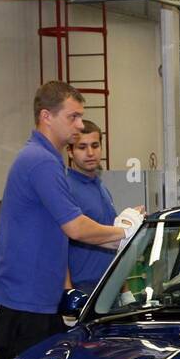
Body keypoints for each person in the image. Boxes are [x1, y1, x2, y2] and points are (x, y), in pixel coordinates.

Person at [0, 82, 143, 359]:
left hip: (37, 301)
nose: (79, 124)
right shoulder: (41, 162)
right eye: (73, 117)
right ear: (46, 116)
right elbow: (77, 228)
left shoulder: (46, 160)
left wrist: (128, 235)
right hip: (25, 305)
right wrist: (127, 232)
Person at [64, 119, 129, 296]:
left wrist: (124, 290)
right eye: (82, 147)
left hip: (109, 286)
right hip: (83, 288)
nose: (90, 153)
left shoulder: (102, 188)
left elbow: (115, 243)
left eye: (95, 145)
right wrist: (68, 293)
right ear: (70, 152)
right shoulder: (65, 188)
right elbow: (57, 245)